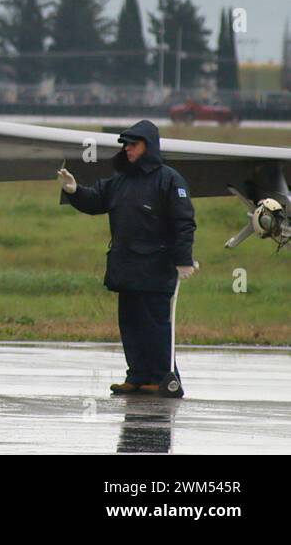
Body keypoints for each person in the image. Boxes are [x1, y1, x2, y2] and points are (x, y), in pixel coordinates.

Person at [57, 120, 197, 398]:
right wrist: (74, 191)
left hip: (155, 270)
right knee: (130, 325)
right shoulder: (120, 181)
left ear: (149, 146)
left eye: (134, 144)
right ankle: (138, 376)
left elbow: (184, 223)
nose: (129, 149)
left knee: (155, 326)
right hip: (126, 268)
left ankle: (163, 378)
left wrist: (183, 259)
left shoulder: (169, 180)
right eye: (126, 145)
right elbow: (96, 200)